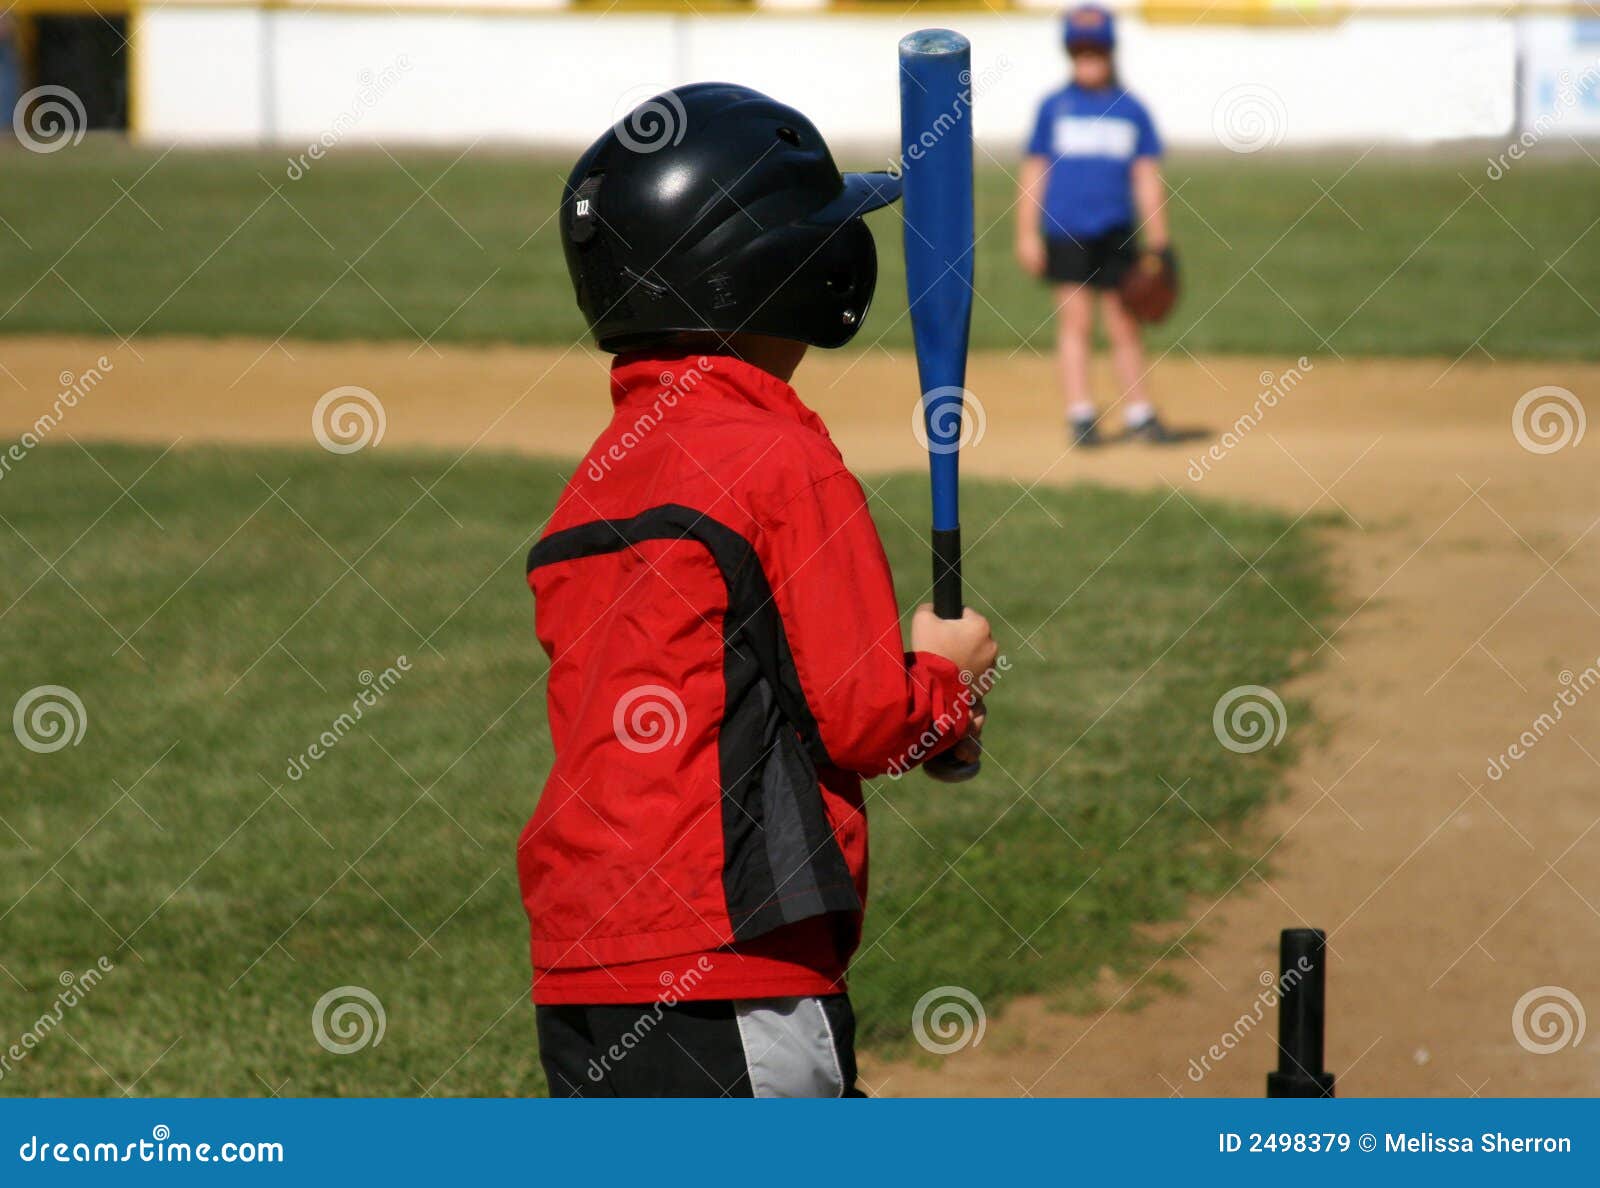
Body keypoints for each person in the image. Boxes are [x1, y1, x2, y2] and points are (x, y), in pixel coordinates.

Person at [521, 83, 999, 1098]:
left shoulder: (593, 484)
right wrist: (945, 684)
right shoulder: (779, 457)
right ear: (774, 274)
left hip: (578, 970)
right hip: (731, 968)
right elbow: (870, 719)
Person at [1016, 4, 1172, 446]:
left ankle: (1140, 412)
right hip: (1065, 230)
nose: (1088, 58)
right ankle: (1081, 413)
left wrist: (1159, 243)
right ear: (1069, 53)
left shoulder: (1131, 110)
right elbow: (1034, 172)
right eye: (1079, 51)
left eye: (1095, 50)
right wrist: (1026, 233)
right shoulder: (1054, 107)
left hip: (1116, 231)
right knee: (1076, 323)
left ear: (1110, 52)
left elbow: (1146, 179)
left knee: (1125, 323)